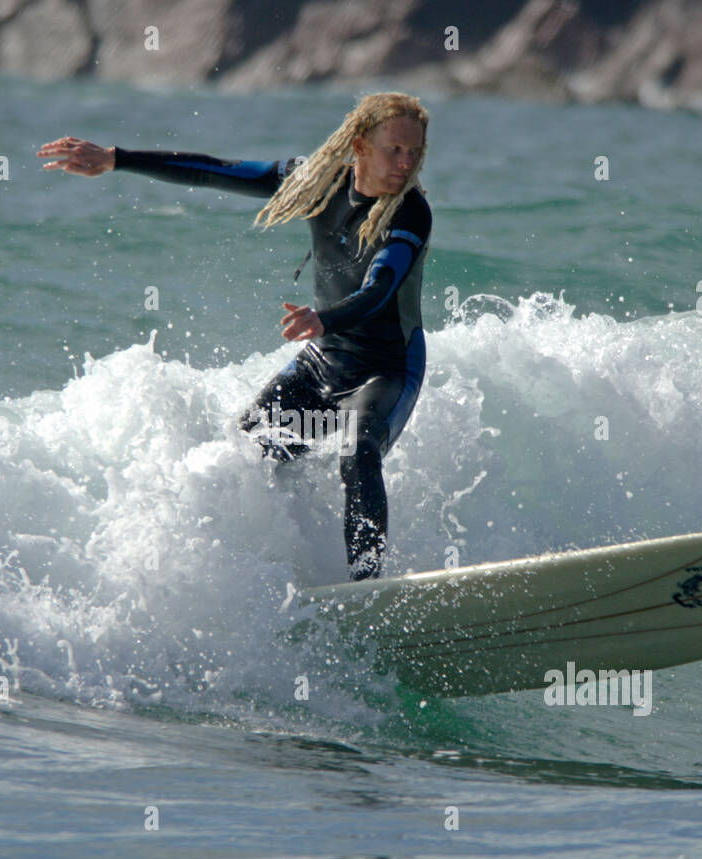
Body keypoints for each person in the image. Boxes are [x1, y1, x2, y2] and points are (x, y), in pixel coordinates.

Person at [38, 92, 431, 580]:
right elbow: (213, 169)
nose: (406, 162)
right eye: (394, 149)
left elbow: (381, 288)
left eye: (414, 151)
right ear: (359, 146)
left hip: (387, 370)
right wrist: (117, 160)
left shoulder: (410, 213)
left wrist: (325, 318)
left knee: (359, 452)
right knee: (249, 454)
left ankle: (368, 589)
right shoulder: (316, 181)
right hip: (323, 363)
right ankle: (252, 576)